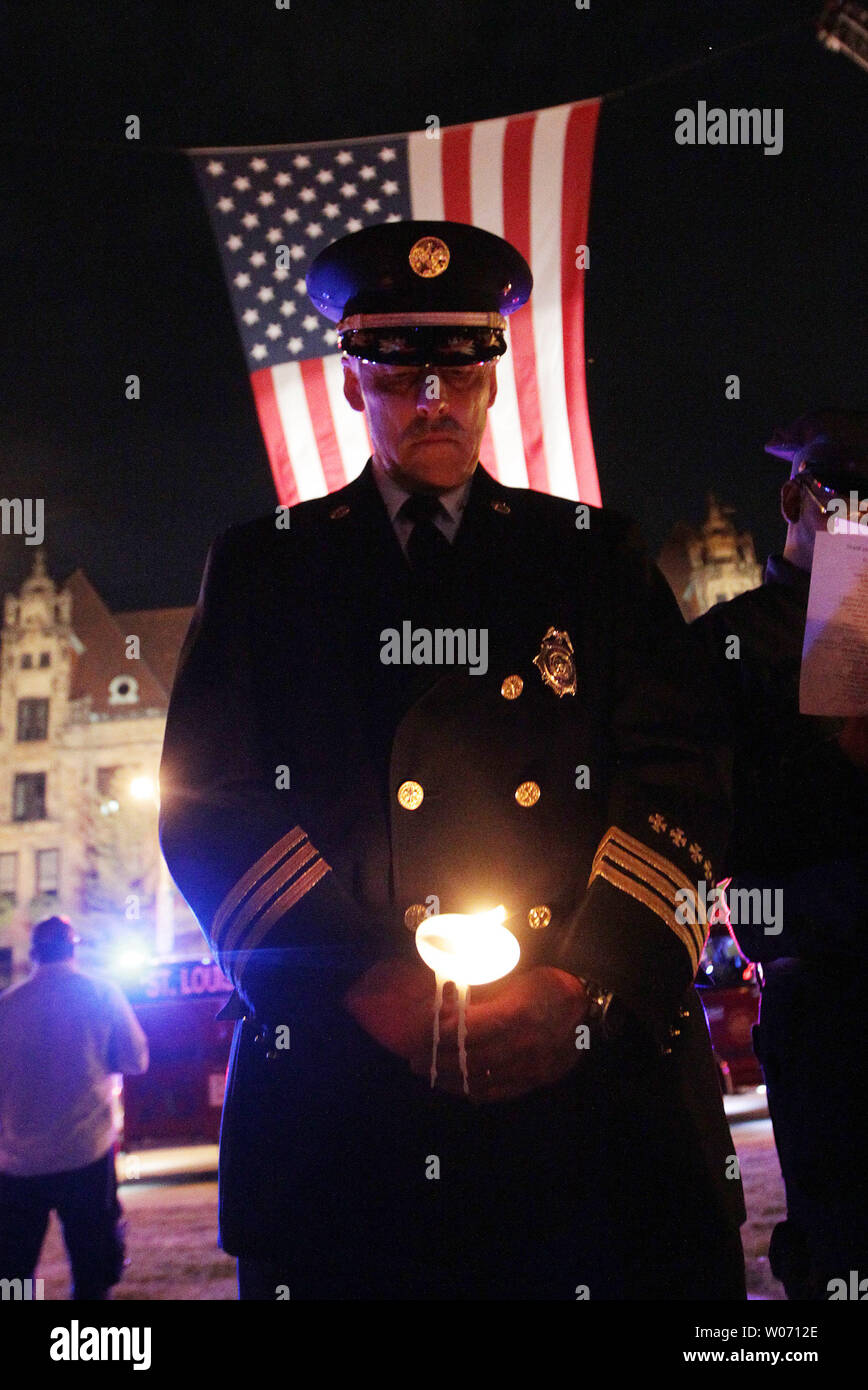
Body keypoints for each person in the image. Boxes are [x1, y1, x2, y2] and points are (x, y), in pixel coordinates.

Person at [159, 219, 745, 1301]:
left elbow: (679, 779)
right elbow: (210, 804)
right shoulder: (261, 570)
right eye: (397, 368)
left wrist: (586, 983)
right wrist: (357, 979)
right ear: (351, 384)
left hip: (585, 1084)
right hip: (346, 1081)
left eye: (459, 367)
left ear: (491, 382)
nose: (431, 396)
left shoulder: (595, 557)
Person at [691, 417, 868, 1300]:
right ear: (797, 500)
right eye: (853, 503)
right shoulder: (728, 648)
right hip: (826, 1002)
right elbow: (715, 864)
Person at [0, 916, 149, 1300]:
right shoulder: (101, 994)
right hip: (86, 1153)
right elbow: (136, 1059)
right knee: (92, 1271)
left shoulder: (7, 1006)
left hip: (17, 1160)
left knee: (13, 1274)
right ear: (74, 949)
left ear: (34, 954)